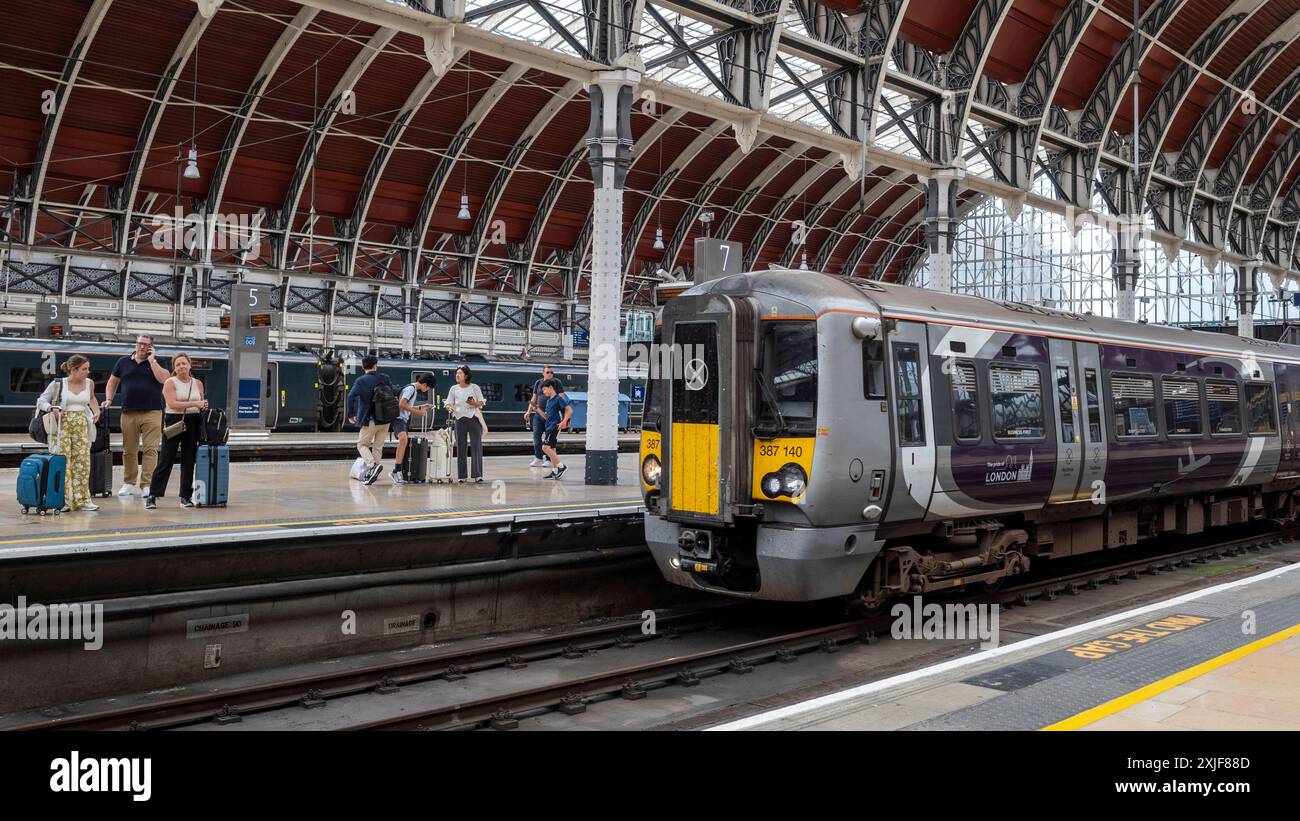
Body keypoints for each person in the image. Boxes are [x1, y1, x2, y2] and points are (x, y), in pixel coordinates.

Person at [103, 334, 169, 497]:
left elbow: (164, 379)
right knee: (129, 450)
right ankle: (128, 482)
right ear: (135, 344)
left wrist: (152, 360)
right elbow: (112, 381)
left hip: (152, 412)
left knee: (150, 450)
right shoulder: (123, 362)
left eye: (146, 344)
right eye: (139, 343)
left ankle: (147, 484)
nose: (141, 347)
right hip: (128, 412)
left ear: (151, 347)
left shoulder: (159, 361)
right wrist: (109, 398)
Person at [36, 354, 102, 511]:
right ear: (74, 369)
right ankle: (64, 500)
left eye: (88, 368)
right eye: (84, 369)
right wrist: (51, 408)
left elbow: (92, 398)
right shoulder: (58, 384)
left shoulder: (89, 383)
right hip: (61, 426)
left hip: (81, 425)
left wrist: (96, 411)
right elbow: (41, 400)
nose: (88, 372)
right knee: (63, 462)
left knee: (82, 463)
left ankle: (83, 500)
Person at [144, 353, 208, 510]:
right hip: (174, 421)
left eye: (184, 363)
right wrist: (196, 403)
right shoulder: (170, 382)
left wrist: (202, 405)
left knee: (189, 461)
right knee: (166, 459)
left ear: (190, 365)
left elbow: (201, 403)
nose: (181, 367)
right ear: (174, 368)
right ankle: (153, 495)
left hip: (193, 422)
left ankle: (185, 497)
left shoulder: (198, 383)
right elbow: (172, 404)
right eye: (178, 364)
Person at [346, 355, 392, 485]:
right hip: (385, 420)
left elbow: (351, 396)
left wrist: (351, 414)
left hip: (370, 419)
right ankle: (373, 473)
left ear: (362, 366)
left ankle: (372, 466)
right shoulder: (385, 378)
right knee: (378, 447)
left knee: (361, 444)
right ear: (375, 365)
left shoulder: (361, 380)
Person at [392, 372, 436, 484]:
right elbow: (401, 405)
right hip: (399, 418)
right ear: (425, 384)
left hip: (402, 419)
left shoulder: (412, 389)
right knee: (403, 439)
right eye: (429, 388)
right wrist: (418, 412)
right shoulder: (411, 389)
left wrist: (422, 406)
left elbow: (407, 405)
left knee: (404, 441)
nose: (428, 390)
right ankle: (396, 471)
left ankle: (399, 470)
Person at [445, 365, 486, 483]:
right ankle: (462, 476)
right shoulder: (453, 388)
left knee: (476, 446)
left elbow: (481, 403)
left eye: (460, 373)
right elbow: (448, 402)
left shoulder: (474, 387)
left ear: (466, 375)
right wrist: (449, 408)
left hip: (474, 418)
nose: (457, 375)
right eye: (457, 373)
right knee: (461, 447)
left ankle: (477, 475)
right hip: (459, 419)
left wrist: (474, 403)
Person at [539, 378, 572, 480]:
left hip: (554, 426)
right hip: (549, 427)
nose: (544, 392)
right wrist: (537, 409)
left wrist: (563, 422)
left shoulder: (558, 399)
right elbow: (547, 416)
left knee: (545, 448)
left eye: (544, 389)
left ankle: (561, 466)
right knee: (552, 449)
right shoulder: (549, 401)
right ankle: (555, 471)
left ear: (550, 387)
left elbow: (569, 410)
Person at [523, 365, 554, 468]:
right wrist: (528, 411)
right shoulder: (538, 383)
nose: (550, 374)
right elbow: (534, 397)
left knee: (548, 439)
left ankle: (549, 459)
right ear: (543, 373)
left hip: (550, 415)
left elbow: (561, 396)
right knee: (536, 436)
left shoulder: (556, 383)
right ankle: (538, 458)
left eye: (551, 372)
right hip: (538, 414)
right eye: (548, 372)